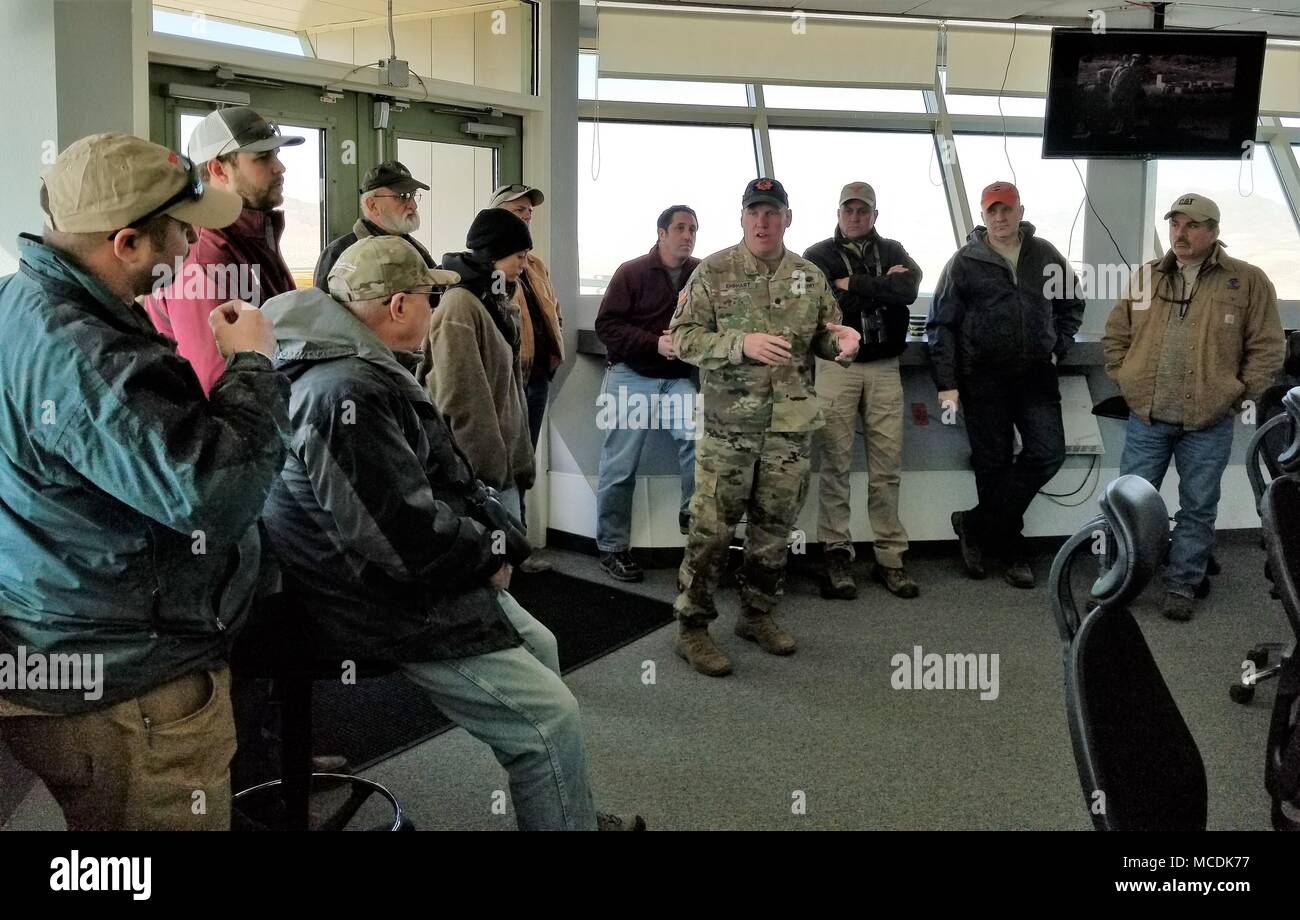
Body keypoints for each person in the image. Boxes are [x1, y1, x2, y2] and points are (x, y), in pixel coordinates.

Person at [259, 235, 642, 830]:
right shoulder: (345, 391)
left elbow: (426, 493)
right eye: (427, 298)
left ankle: (569, 814)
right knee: (550, 721)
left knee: (542, 646)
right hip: (377, 596)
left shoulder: (353, 366)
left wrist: (494, 538)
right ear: (396, 306)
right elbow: (397, 537)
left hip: (398, 574)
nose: (436, 310)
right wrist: (487, 555)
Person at [0, 132, 289, 830]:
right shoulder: (88, 354)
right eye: (180, 233)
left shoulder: (22, 299)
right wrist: (251, 365)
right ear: (127, 242)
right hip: (129, 680)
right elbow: (211, 497)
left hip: (61, 628)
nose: (191, 249)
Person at [669, 177, 860, 677]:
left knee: (774, 531)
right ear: (741, 218)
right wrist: (741, 344)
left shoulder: (808, 276)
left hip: (789, 428)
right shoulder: (712, 271)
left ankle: (756, 615)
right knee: (711, 532)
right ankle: (691, 627)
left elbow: (820, 336)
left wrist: (839, 341)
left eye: (772, 212)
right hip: (730, 427)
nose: (762, 221)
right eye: (754, 212)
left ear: (787, 218)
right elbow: (682, 339)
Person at [1103, 193, 1283, 621]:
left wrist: (1239, 394)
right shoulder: (1146, 279)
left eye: (1192, 225)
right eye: (1175, 225)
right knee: (1127, 502)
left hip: (1208, 419)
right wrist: (1124, 377)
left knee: (1198, 506)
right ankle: (1118, 577)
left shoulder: (1248, 280)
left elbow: (1267, 347)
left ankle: (1182, 584)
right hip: (1147, 415)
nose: (1180, 234)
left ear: (1214, 232)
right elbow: (1116, 333)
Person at [927, 181, 1084, 589]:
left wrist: (1058, 347)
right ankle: (1012, 550)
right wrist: (947, 384)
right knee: (992, 464)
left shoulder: (1044, 254)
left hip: (1035, 375)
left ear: (1020, 211)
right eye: (992, 211)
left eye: (1007, 209)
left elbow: (1072, 303)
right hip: (983, 378)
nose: (1000, 217)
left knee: (1048, 454)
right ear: (983, 216)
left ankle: (974, 524)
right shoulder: (964, 262)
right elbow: (939, 326)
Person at [803, 181, 922, 601]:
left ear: (875, 214)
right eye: (848, 210)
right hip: (836, 366)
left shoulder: (893, 249)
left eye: (863, 210)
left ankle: (891, 557)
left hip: (885, 367)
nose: (855, 216)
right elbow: (824, 305)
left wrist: (853, 284)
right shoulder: (817, 255)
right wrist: (877, 286)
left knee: (887, 466)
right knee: (834, 464)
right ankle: (836, 553)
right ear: (838, 212)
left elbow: (906, 291)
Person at [144, 106, 303, 395]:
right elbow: (218, 387)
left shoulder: (250, 237)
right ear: (218, 169)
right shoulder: (205, 256)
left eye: (276, 155)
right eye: (263, 157)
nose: (279, 167)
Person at [593, 205, 701, 582]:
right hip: (631, 373)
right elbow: (606, 325)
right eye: (681, 228)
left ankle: (694, 521)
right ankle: (611, 548)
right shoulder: (632, 271)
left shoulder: (701, 273)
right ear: (661, 233)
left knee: (701, 446)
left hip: (678, 377)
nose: (688, 236)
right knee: (619, 466)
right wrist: (653, 343)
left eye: (693, 230)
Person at [422, 208, 535, 520]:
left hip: (503, 471)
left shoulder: (493, 300)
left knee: (510, 559)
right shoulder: (460, 307)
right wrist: (487, 479)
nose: (524, 267)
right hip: (482, 479)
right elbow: (462, 403)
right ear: (495, 254)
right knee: (495, 560)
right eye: (519, 256)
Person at [491, 184, 565, 448]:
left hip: (538, 376)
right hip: (505, 380)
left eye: (529, 212)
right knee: (500, 456)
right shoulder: (485, 264)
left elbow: (554, 311)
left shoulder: (535, 265)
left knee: (525, 456)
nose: (525, 216)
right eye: (518, 209)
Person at [313, 160, 436, 289]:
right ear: (372, 205)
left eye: (413, 195)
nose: (413, 205)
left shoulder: (416, 249)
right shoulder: (339, 253)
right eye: (402, 196)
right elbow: (322, 308)